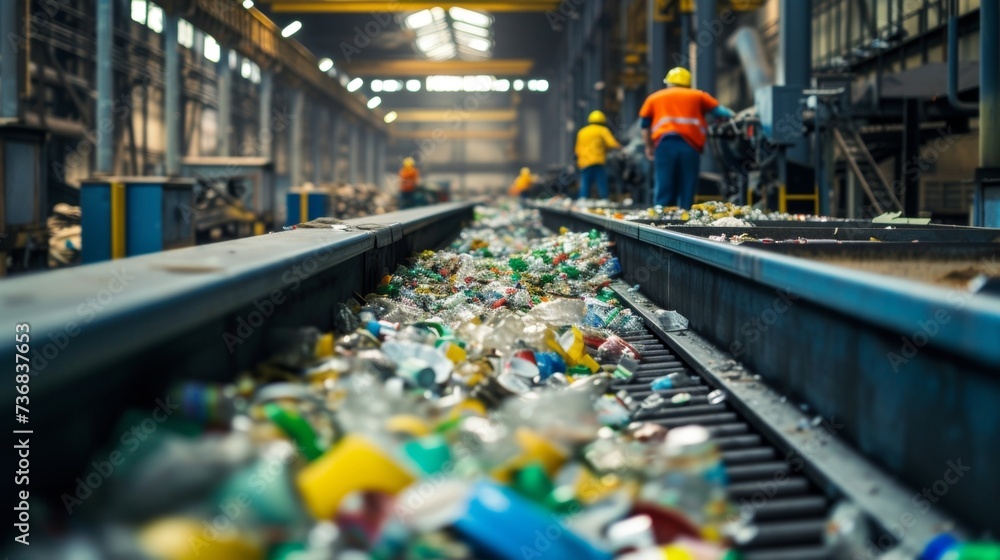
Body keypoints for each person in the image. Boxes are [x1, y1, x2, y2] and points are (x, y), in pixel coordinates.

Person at [639, 67, 735, 209]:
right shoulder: (699, 96)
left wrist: (649, 146)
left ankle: (660, 215)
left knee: (664, 182)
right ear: (688, 83)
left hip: (665, 145)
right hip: (690, 146)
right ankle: (685, 214)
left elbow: (645, 125)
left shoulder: (654, 98)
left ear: (669, 83)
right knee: (688, 184)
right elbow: (724, 113)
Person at [575, 110, 621, 202]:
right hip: (597, 161)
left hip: (584, 162)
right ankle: (604, 198)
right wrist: (621, 148)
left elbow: (577, 149)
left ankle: (583, 199)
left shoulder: (582, 132)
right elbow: (612, 143)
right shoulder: (603, 130)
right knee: (601, 180)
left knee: (585, 181)